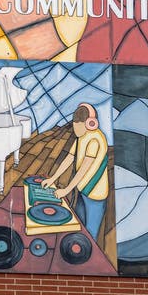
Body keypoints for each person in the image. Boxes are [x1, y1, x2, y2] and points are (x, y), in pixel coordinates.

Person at [42, 103, 109, 241]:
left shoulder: (95, 140)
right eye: (74, 126)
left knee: (90, 233)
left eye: (79, 126)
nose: (76, 130)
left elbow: (84, 169)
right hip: (83, 189)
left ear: (90, 123)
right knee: (79, 225)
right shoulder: (81, 137)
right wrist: (53, 178)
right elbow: (70, 158)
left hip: (95, 194)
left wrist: (66, 190)